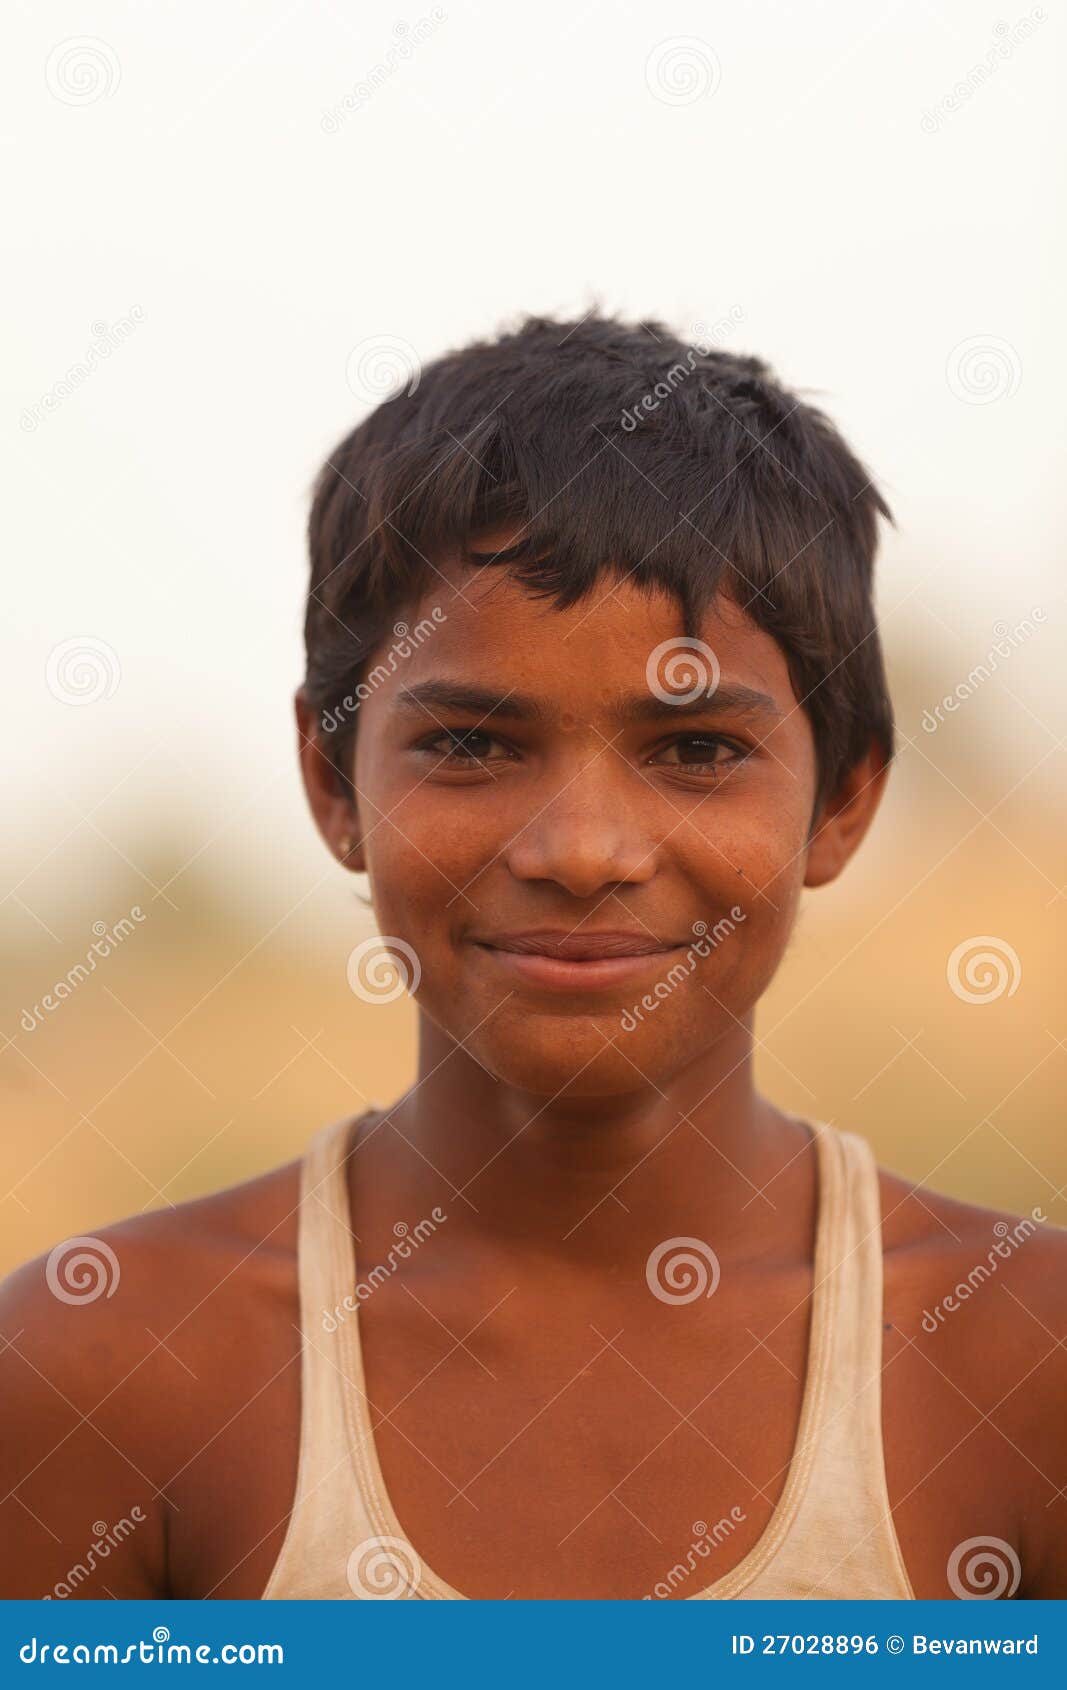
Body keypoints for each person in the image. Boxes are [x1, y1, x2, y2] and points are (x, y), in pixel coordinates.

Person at [2, 314, 1064, 1601]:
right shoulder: (106, 1367)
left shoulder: (1017, 1365)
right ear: (332, 780)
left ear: (839, 801)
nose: (581, 850)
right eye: (471, 745)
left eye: (694, 750)